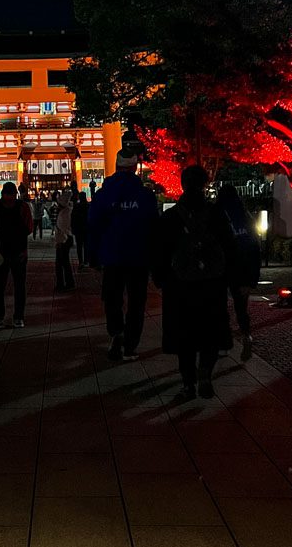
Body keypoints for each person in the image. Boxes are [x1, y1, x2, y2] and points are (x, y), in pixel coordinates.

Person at [152, 164, 236, 402]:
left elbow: (158, 252)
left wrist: (161, 279)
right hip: (212, 284)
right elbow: (230, 248)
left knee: (185, 338)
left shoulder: (170, 217)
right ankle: (205, 372)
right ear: (204, 184)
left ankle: (188, 384)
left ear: (182, 185)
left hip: (180, 286)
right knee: (210, 333)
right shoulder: (216, 214)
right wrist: (229, 278)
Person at [86, 128, 158, 362]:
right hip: (139, 257)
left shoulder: (104, 194)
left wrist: (93, 256)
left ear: (116, 167)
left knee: (113, 298)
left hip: (112, 256)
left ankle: (116, 332)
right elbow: (153, 228)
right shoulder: (146, 196)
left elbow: (93, 225)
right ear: (135, 168)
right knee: (137, 302)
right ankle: (130, 343)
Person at [216, 184, 262, 360]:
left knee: (221, 308)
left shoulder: (218, 216)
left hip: (222, 269)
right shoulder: (245, 217)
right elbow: (255, 248)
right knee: (241, 308)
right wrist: (252, 280)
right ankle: (246, 335)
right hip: (242, 270)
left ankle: (224, 344)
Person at [0, 182, 33, 329]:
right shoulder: (23, 207)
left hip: (2, 251)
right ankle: (18, 318)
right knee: (19, 286)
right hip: (19, 250)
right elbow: (29, 228)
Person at [53, 190, 75, 291]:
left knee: (61, 263)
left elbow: (63, 230)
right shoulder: (67, 211)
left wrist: (59, 242)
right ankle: (68, 282)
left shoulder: (64, 214)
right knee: (64, 263)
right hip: (65, 240)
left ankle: (62, 284)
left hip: (63, 241)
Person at [70, 190, 89, 270]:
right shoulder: (88, 206)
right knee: (86, 246)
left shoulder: (76, 206)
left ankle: (80, 261)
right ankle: (86, 261)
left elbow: (73, 218)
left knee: (79, 246)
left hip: (78, 229)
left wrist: (73, 228)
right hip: (87, 229)